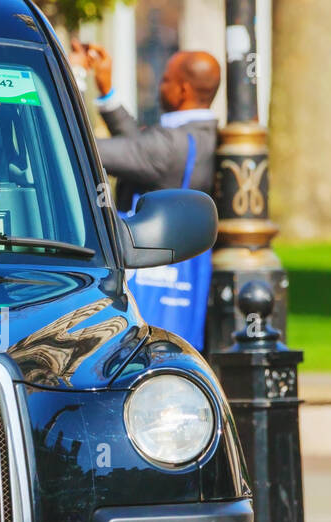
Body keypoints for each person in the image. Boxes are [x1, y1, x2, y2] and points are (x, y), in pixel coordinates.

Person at [69, 40, 220, 351]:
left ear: (183, 90)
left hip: (147, 274)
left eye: (166, 79)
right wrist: (107, 93)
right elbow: (140, 149)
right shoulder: (199, 136)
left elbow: (82, 148)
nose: (160, 85)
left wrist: (74, 74)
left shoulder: (167, 145)